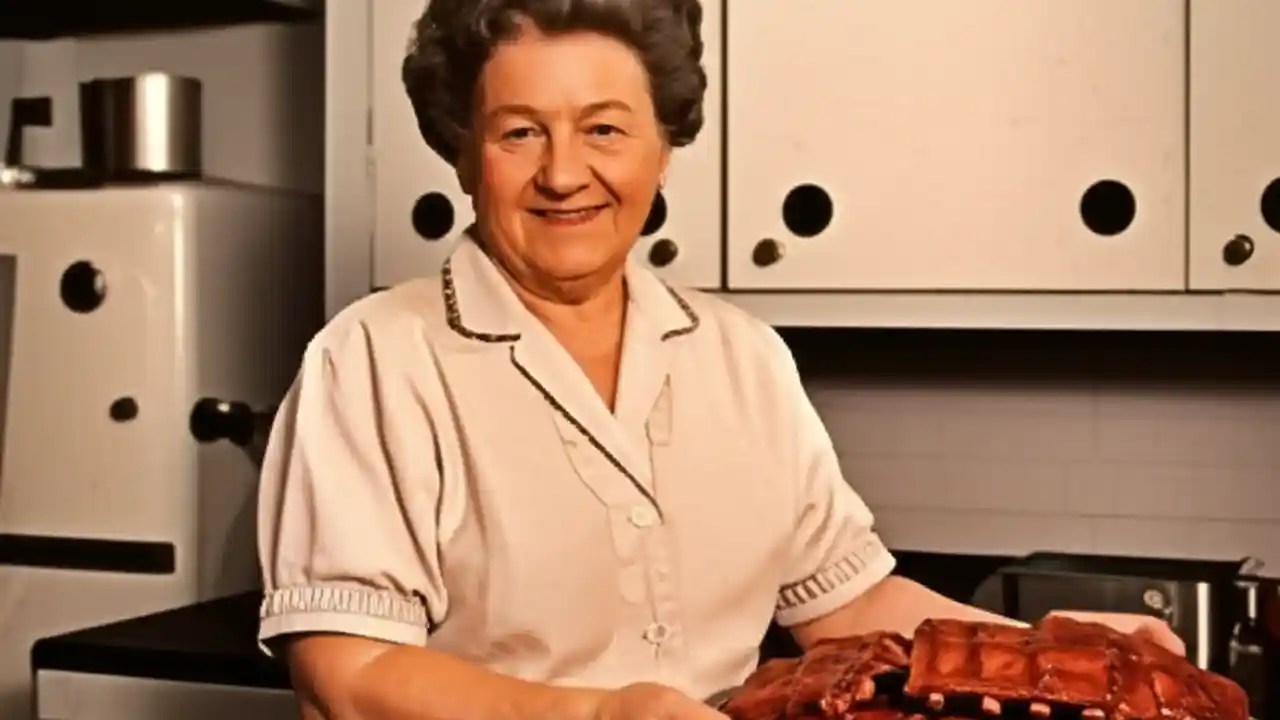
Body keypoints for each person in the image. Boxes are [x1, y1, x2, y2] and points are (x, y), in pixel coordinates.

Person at [254, 1, 1184, 718]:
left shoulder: (743, 356)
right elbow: (346, 670)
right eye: (520, 131)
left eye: (606, 128)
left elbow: (848, 601)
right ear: (465, 156)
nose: (565, 172)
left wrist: (1059, 648)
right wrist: (597, 715)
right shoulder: (377, 358)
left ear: (665, 148)